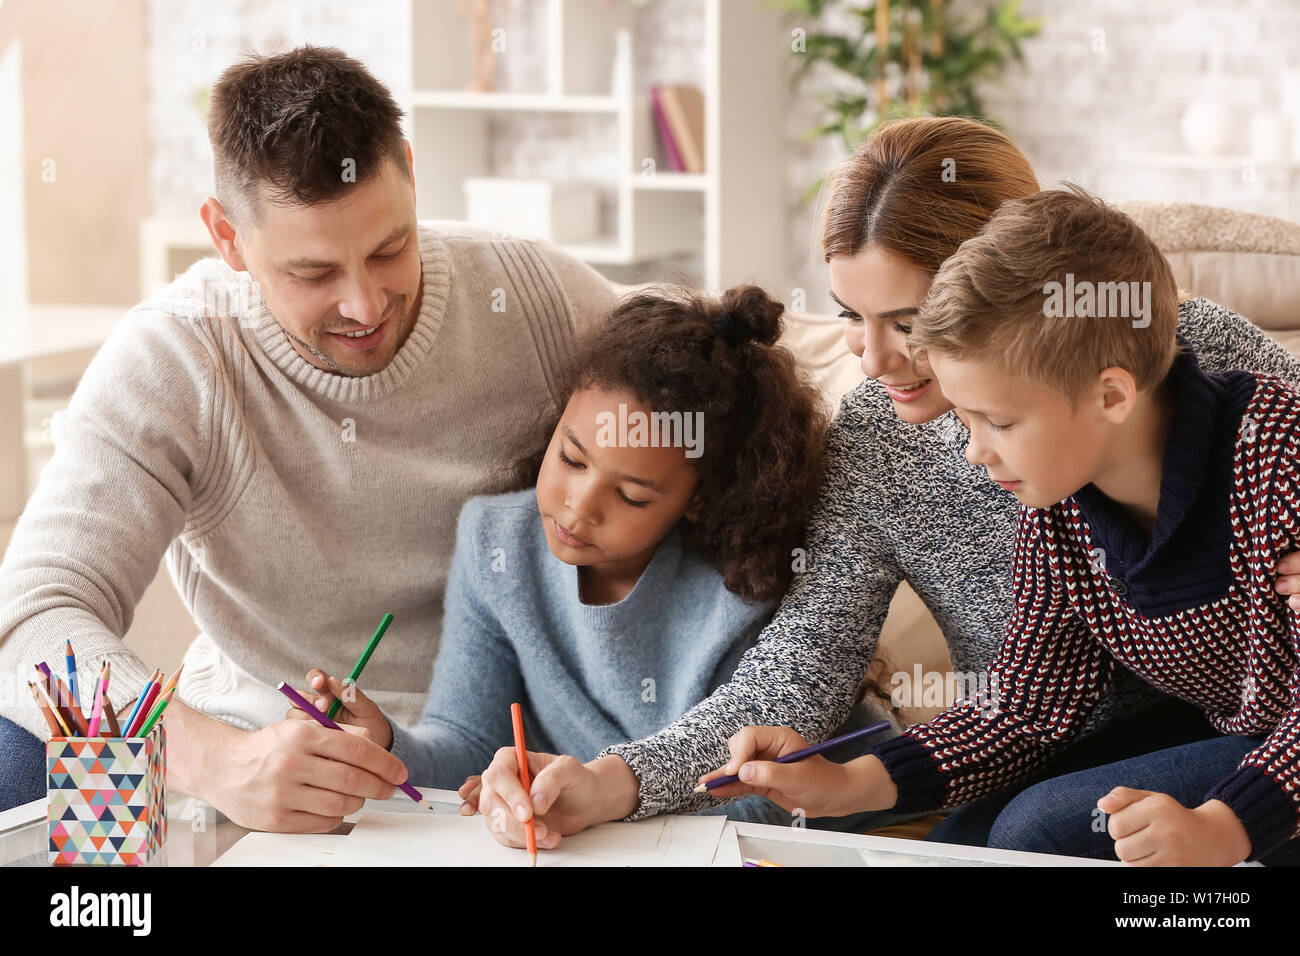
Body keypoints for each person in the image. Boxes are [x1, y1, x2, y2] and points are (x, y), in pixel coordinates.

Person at [465, 116, 1300, 853]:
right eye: (848, 317)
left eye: (908, 323)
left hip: (1237, 725)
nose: (872, 359)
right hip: (1029, 735)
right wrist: (618, 781)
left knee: (1032, 831)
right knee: (971, 844)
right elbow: (806, 666)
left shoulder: (1187, 361)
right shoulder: (928, 457)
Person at [0, 45, 619, 829]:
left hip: (497, 771)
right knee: (18, 759)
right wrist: (211, 758)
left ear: (412, 179)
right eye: (313, 273)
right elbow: (32, 619)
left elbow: (718, 371)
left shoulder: (531, 299)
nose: (366, 304)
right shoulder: (177, 356)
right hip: (246, 760)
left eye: (391, 247)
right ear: (228, 238)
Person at [712, 187, 1300, 865]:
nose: (975, 450)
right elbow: (1027, 707)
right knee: (960, 852)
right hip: (1243, 735)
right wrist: (846, 785)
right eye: (968, 419)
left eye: (1001, 422)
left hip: (1275, 750)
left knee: (1037, 830)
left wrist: (1228, 825)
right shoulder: (1058, 507)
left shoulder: (1276, 456)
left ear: (1112, 394)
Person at [286, 285, 832, 827]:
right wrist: (381, 740)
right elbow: (469, 741)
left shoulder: (742, 586)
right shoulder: (498, 544)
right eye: (572, 458)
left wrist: (595, 800)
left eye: (631, 496)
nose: (578, 508)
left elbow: (765, 795)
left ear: (697, 501)